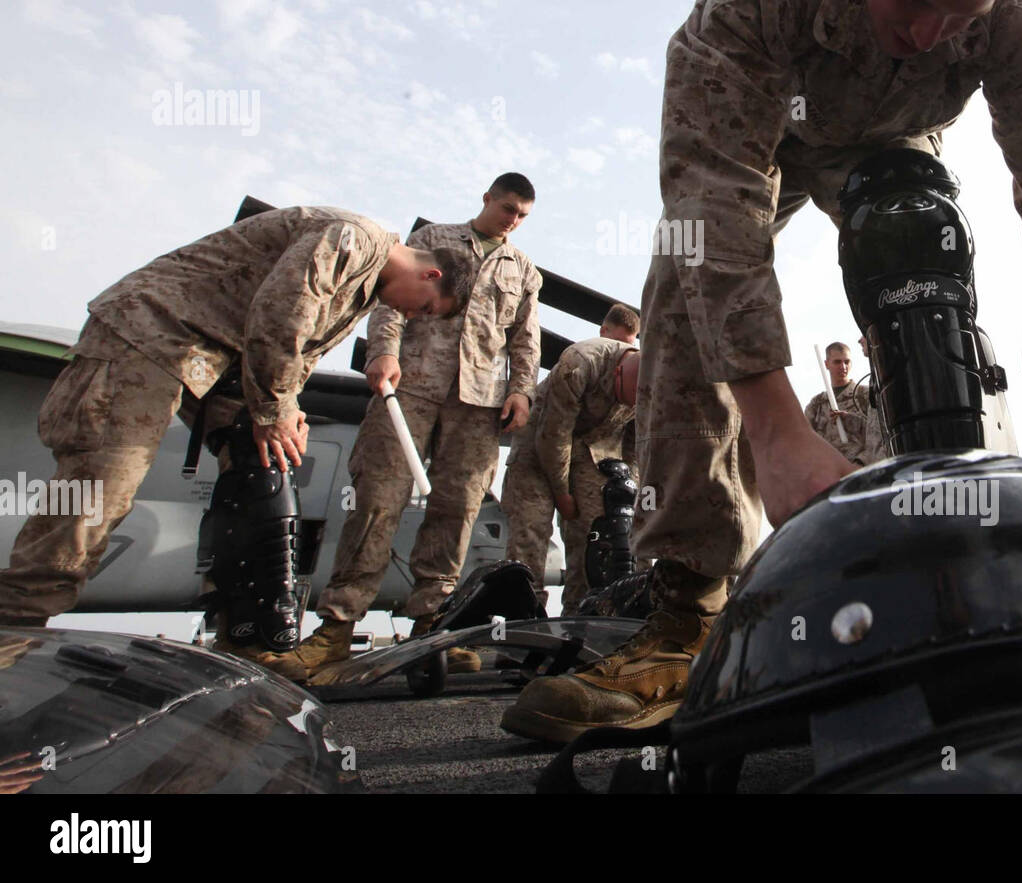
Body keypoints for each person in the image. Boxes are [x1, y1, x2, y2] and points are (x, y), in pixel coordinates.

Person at [502, 0, 1022, 743]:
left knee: (915, 236)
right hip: (765, 137)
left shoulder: (1019, 22)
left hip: (887, 143)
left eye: (958, 19)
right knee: (683, 283)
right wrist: (776, 429)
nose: (928, 36)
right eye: (913, 0)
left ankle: (973, 558)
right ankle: (688, 613)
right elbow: (710, 197)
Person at [0, 206, 472, 657]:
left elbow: (299, 352)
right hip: (149, 334)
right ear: (429, 275)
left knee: (265, 465)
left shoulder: (364, 288)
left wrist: (288, 413)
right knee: (102, 486)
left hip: (213, 358)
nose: (414, 318)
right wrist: (274, 409)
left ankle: (244, 631)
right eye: (426, 310)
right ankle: (14, 636)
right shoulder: (352, 239)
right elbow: (280, 317)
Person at [264, 174, 542, 682]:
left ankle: (433, 625)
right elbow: (390, 299)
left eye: (522, 215)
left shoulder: (523, 270)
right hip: (409, 387)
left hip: (477, 403)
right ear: (486, 198)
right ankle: (336, 629)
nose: (512, 221)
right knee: (377, 497)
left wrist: (522, 389)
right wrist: (384, 351)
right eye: (507, 208)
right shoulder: (431, 239)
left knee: (457, 508)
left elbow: (525, 339)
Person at [502, 305, 640, 613]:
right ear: (618, 372)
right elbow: (554, 436)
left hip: (590, 451)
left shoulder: (652, 385)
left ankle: (580, 618)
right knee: (530, 533)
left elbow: (633, 449)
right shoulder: (580, 363)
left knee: (595, 534)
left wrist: (632, 492)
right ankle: (524, 620)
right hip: (537, 446)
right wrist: (563, 494)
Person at [804, 342, 885, 467]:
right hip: (829, 471)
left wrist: (860, 463)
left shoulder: (865, 396)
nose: (843, 367)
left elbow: (878, 437)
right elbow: (806, 439)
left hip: (862, 469)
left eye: (846, 362)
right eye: (837, 362)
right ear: (826, 364)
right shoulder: (817, 404)